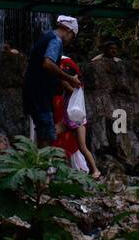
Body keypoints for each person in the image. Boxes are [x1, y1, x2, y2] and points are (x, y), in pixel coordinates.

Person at [23, 16, 82, 147]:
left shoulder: (46, 36)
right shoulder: (56, 40)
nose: (71, 41)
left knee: (43, 130)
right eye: (73, 36)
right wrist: (70, 78)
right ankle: (43, 165)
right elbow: (48, 64)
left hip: (33, 91)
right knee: (47, 132)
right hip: (40, 93)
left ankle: (40, 163)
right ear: (68, 29)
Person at [53, 59, 100, 178]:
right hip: (68, 120)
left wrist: (59, 74)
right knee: (51, 134)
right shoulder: (71, 84)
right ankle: (57, 166)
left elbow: (64, 83)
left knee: (82, 147)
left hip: (77, 122)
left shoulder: (77, 86)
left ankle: (95, 170)